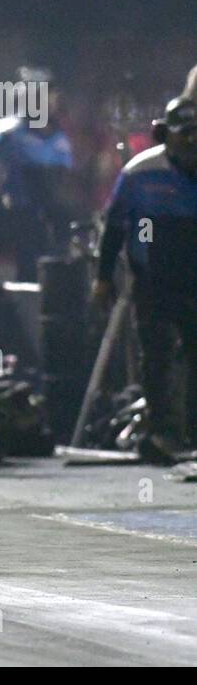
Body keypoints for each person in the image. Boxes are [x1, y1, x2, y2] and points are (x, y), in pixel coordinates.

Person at [93, 94, 197, 459]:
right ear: (164, 134)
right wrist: (103, 278)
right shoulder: (140, 174)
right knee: (157, 357)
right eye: (186, 133)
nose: (192, 141)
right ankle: (162, 433)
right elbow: (115, 228)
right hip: (154, 282)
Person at [0, 66, 76, 279]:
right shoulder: (4, 131)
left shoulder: (62, 138)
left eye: (47, 95)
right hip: (19, 218)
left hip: (54, 221)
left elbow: (66, 179)